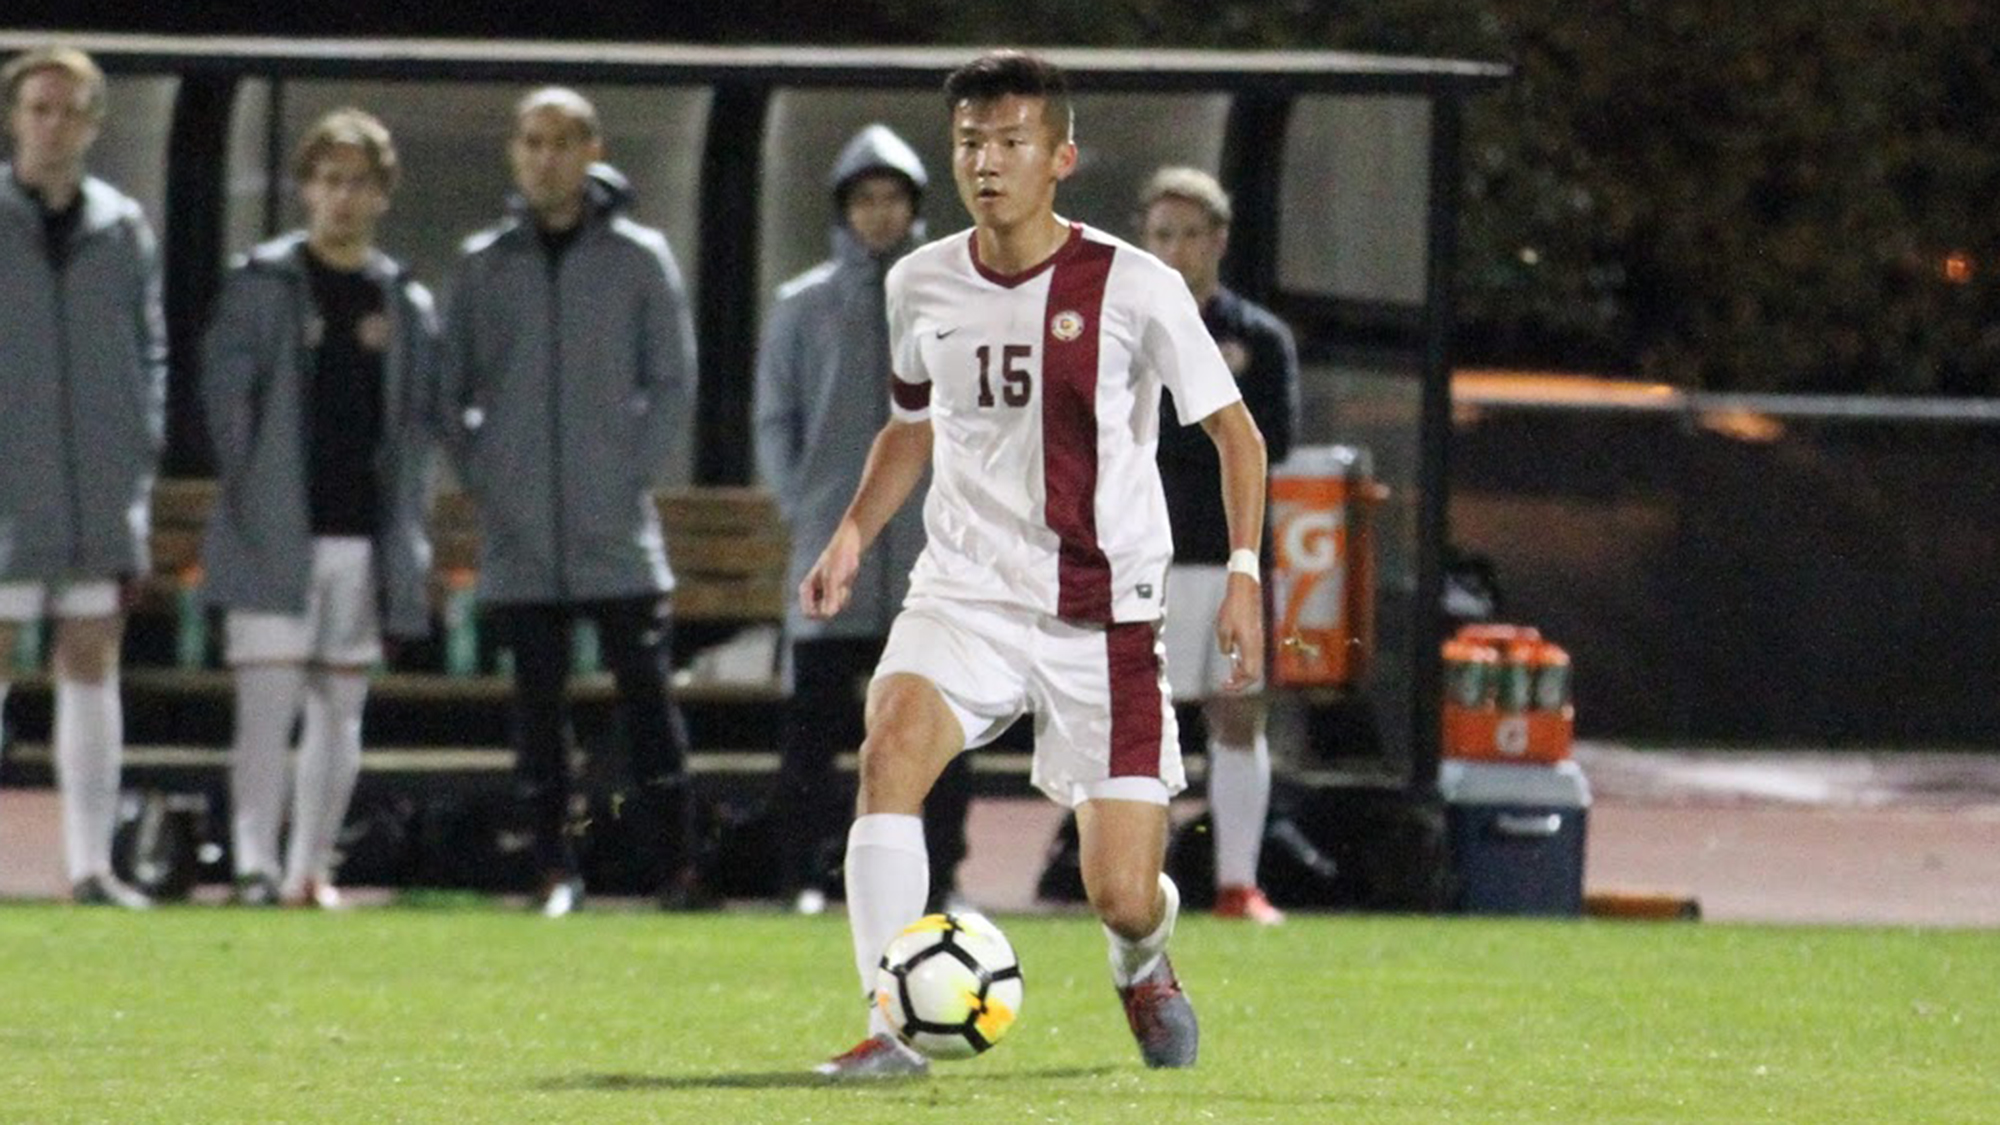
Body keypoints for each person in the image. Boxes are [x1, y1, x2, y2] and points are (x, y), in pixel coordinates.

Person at [803, 51, 1268, 1078]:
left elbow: (1237, 437)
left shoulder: (1134, 285)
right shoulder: (918, 281)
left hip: (1102, 615)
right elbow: (909, 426)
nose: (987, 161)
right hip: (964, 591)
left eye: (1010, 142)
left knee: (1120, 889)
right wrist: (849, 534)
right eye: (970, 141)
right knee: (888, 754)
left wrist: (1240, 572)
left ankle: (1142, 960)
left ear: (1058, 156)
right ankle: (893, 1026)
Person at [440, 87, 702, 918]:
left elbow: (672, 381)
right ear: (515, 154)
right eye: (529, 141)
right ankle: (554, 871)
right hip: (520, 534)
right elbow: (450, 392)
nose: (543, 156)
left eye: (559, 141)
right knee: (536, 714)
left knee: (648, 702)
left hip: (614, 525)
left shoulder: (638, 257)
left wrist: (628, 469)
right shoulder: (484, 262)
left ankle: (680, 867)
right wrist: (490, 473)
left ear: (592, 150)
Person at [199, 109, 440, 909]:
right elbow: (225, 402)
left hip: (364, 537)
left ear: (382, 194)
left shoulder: (403, 298)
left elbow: (414, 424)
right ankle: (253, 863)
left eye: (359, 182)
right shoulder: (262, 282)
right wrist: (255, 490)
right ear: (305, 188)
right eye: (329, 180)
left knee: (341, 707)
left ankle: (311, 868)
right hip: (273, 531)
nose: (342, 197)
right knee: (265, 711)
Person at [753, 123, 974, 917]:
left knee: (934, 723)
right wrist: (804, 505)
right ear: (843, 210)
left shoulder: (952, 298)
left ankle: (940, 873)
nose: (879, 214)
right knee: (813, 725)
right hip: (831, 549)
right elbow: (772, 419)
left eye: (893, 199)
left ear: (914, 208)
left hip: (929, 554)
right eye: (865, 199)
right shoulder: (801, 305)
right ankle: (806, 875)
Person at [0, 46, 166, 909]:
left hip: (98, 488)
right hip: (7, 486)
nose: (52, 125)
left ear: (95, 123)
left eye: (70, 111)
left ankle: (92, 866)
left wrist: (139, 448)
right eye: (38, 108)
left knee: (91, 661)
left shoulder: (123, 225)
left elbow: (151, 353)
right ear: (14, 116)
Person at [1140, 167, 1299, 926]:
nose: (1175, 249)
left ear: (1219, 241)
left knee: (1237, 715)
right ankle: (1131, 881)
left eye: (1191, 234)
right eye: (1162, 234)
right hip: (1143, 557)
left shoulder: (1259, 339)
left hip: (1230, 556)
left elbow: (1270, 443)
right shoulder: (1126, 329)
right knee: (1138, 716)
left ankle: (1239, 884)